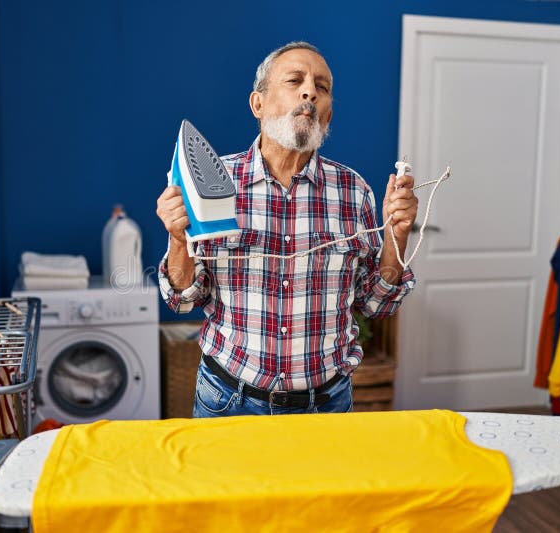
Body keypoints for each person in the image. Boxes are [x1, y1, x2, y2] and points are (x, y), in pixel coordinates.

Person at [156, 41, 418, 417]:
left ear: (326, 116)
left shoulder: (354, 191)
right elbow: (182, 298)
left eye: (322, 87)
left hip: (325, 406)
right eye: (294, 80)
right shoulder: (214, 181)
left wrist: (398, 232)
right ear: (257, 104)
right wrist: (177, 236)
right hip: (228, 402)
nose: (310, 91)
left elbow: (375, 302)